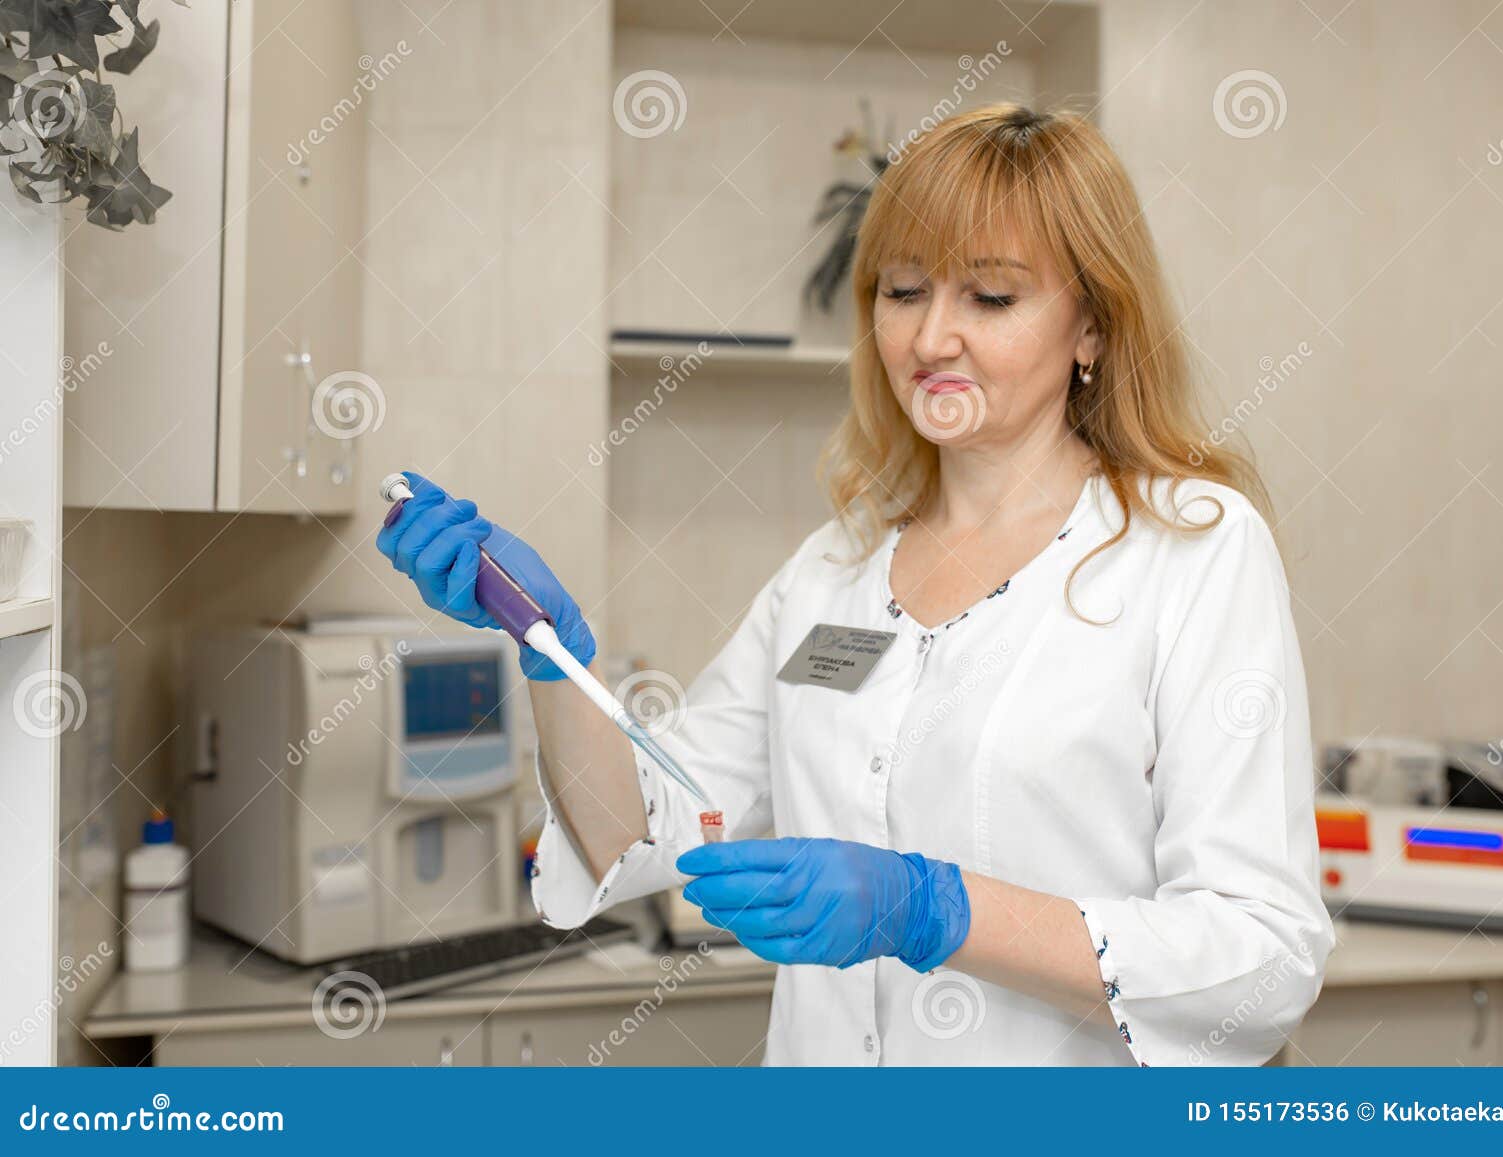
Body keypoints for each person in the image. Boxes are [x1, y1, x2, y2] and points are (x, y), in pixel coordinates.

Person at [377, 104, 1333, 1066]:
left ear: (1091, 325)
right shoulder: (834, 570)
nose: (931, 338)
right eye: (903, 290)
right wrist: (549, 650)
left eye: (991, 299)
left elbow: (1261, 961)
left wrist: (935, 909)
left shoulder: (1192, 549)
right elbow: (649, 825)